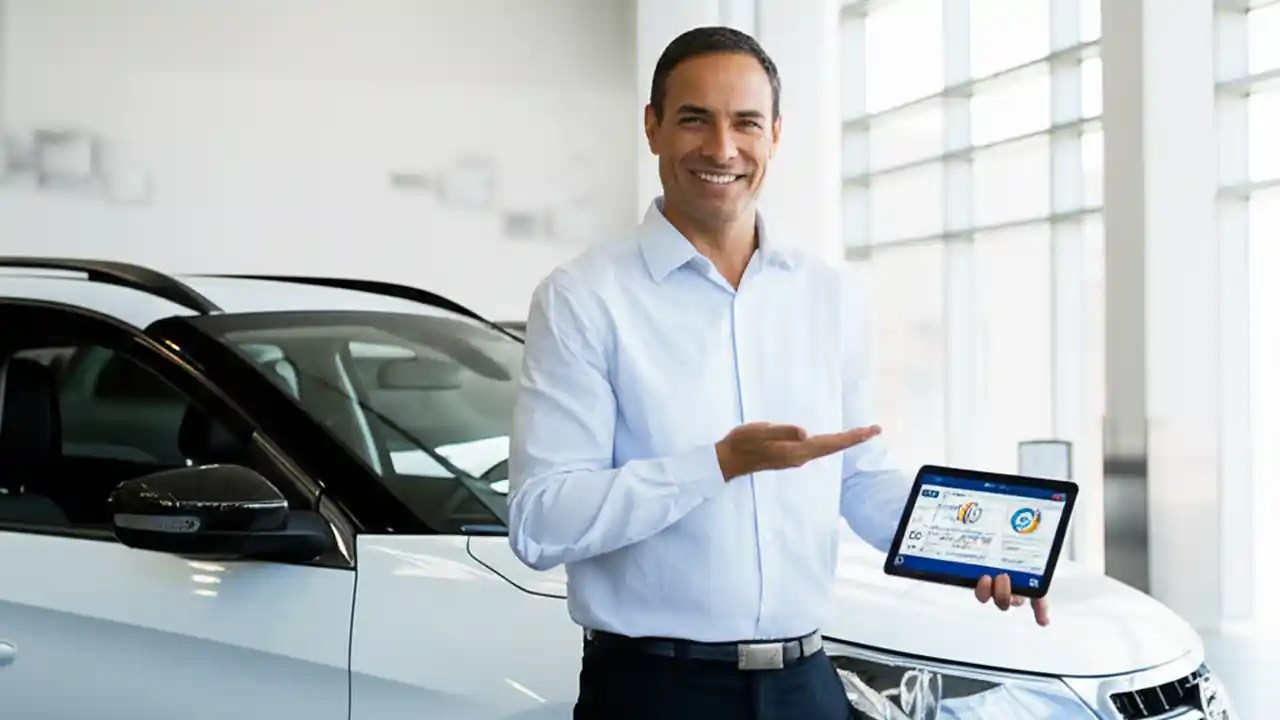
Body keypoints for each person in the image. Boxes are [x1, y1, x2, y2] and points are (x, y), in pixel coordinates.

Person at [506, 25, 1049, 720]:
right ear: (652, 127)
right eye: (694, 119)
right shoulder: (584, 299)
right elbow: (542, 521)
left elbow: (860, 479)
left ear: (776, 135)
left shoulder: (827, 295)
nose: (721, 148)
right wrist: (719, 464)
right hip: (653, 692)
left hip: (806, 686)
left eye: (746, 123)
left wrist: (980, 550)